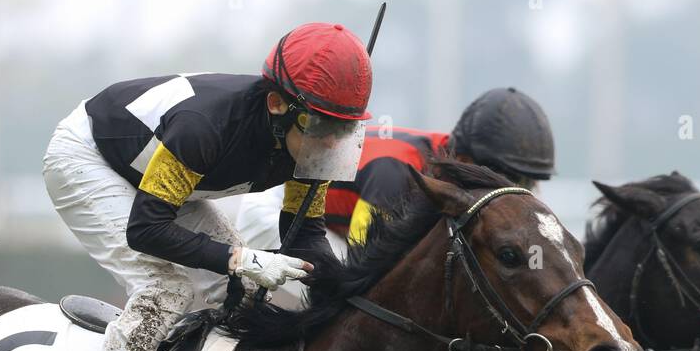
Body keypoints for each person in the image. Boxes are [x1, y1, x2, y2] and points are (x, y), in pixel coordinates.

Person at [42, 22, 372, 351]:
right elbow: (147, 229)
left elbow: (304, 237)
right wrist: (242, 259)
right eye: (322, 126)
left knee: (236, 291)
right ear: (277, 105)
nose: (332, 144)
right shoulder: (205, 126)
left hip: (166, 179)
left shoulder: (309, 135)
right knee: (167, 287)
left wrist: (349, 286)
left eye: (345, 128)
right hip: (88, 158)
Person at [231, 86, 555, 252]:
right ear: (469, 162)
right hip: (276, 212)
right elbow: (363, 258)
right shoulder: (399, 172)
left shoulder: (447, 160)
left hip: (323, 226)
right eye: (507, 179)